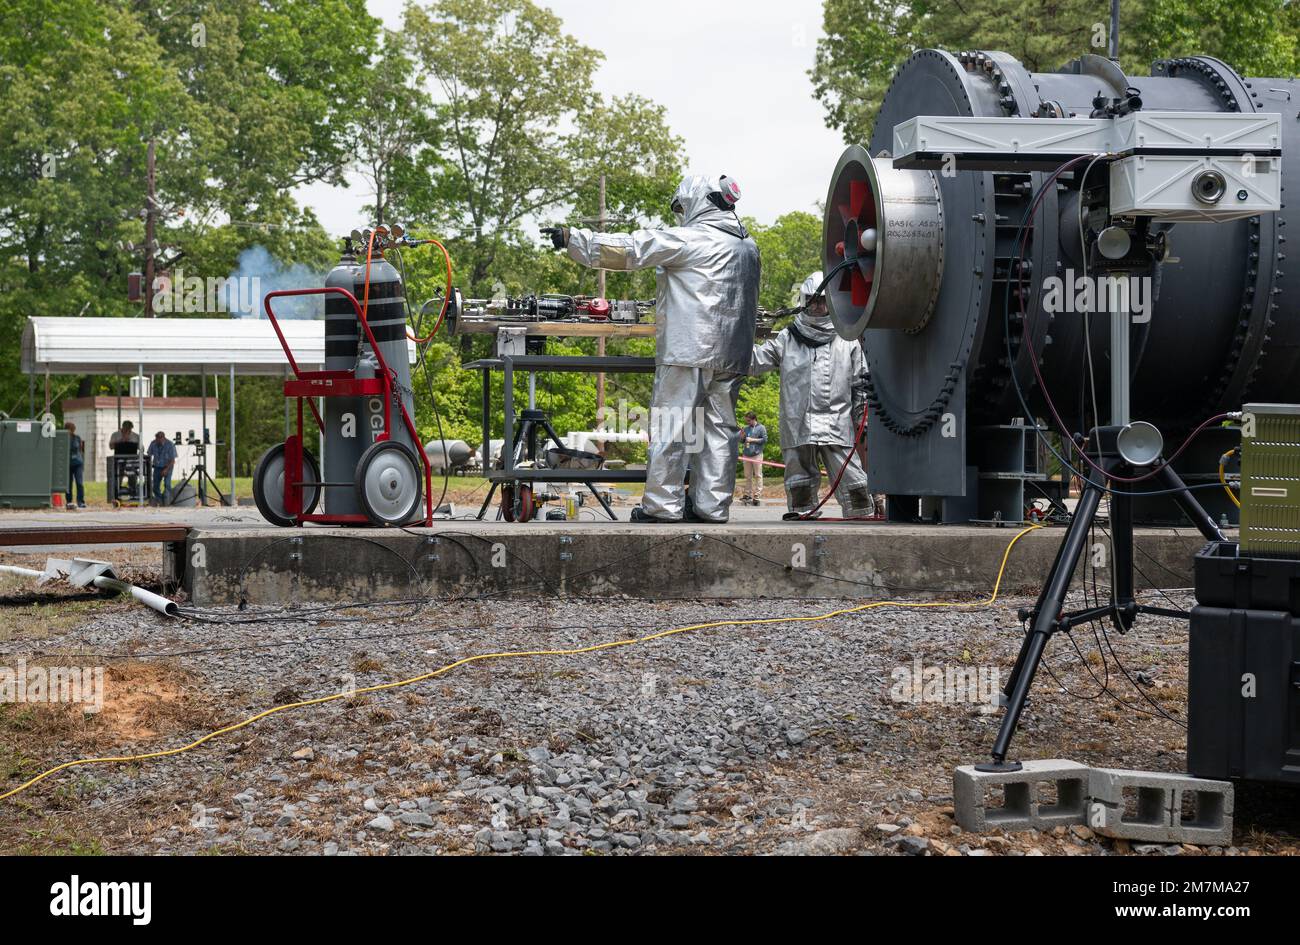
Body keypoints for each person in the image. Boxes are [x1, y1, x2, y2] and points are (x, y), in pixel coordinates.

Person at [543, 174, 760, 523]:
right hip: (733, 353)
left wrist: (574, 239)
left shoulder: (691, 238)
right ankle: (711, 506)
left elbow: (633, 248)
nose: (679, 214)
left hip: (689, 349)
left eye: (681, 207)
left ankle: (663, 506)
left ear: (696, 202)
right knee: (720, 432)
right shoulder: (748, 247)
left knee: (672, 427)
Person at [750, 271, 874, 520]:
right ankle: (802, 512)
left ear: (832, 303)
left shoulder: (846, 340)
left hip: (836, 425)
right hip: (798, 425)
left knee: (851, 476)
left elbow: (862, 382)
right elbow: (753, 362)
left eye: (822, 301)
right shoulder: (787, 339)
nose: (817, 306)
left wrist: (862, 416)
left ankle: (861, 513)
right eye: (812, 300)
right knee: (799, 477)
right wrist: (732, 338)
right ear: (804, 301)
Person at [739, 411, 767, 506]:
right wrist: (742, 436)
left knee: (758, 475)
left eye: (749, 420)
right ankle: (747, 494)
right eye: (746, 420)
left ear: (754, 419)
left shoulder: (761, 428)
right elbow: (742, 441)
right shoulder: (746, 428)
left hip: (757, 454)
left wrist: (752, 440)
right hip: (746, 454)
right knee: (747, 476)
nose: (747, 422)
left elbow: (764, 439)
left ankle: (757, 496)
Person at [109, 420, 141, 502]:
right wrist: (121, 441)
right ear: (122, 428)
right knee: (118, 477)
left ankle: (133, 495)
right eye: (126, 428)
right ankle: (116, 496)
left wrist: (134, 444)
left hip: (131, 460)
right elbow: (111, 446)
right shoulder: (115, 435)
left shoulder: (136, 436)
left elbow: (141, 448)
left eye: (129, 429)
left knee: (132, 476)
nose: (128, 430)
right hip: (119, 460)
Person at [147, 430, 177, 506]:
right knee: (155, 486)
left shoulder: (170, 444)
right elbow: (149, 455)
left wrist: (166, 469)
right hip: (157, 467)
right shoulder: (153, 443)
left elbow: (173, 460)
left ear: (163, 438)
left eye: (160, 439)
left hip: (168, 466)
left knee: (167, 484)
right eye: (157, 439)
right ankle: (160, 501)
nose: (158, 440)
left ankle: (168, 501)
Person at [64, 421, 85, 509]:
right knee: (68, 484)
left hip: (78, 463)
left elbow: (81, 450)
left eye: (71, 429)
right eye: (68, 429)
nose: (70, 431)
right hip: (67, 463)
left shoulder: (77, 438)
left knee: (79, 483)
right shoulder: (63, 438)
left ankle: (80, 501)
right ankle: (69, 501)